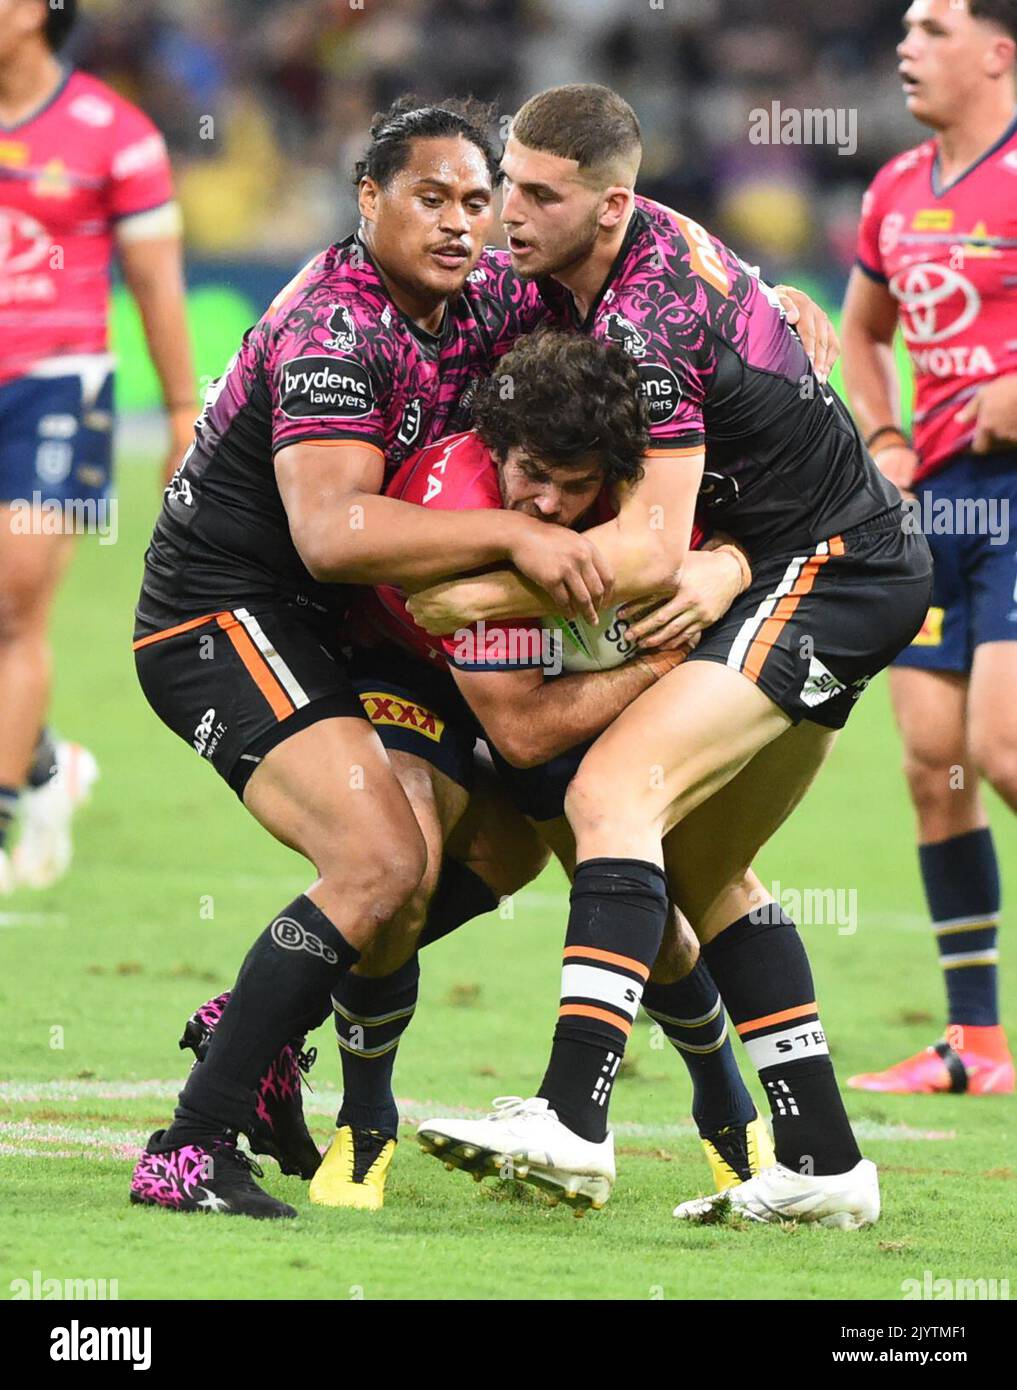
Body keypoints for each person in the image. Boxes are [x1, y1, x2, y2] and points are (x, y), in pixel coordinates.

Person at [410, 83, 933, 1228]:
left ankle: (571, 1118)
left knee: (615, 788)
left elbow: (645, 551)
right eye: (510, 186)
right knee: (700, 866)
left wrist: (456, 589)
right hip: (809, 558)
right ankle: (822, 1163)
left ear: (613, 206)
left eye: (542, 196)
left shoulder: (644, 321)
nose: (510, 214)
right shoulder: (608, 260)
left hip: (834, 566)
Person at [128, 98, 616, 1220]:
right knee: (378, 861)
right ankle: (189, 1148)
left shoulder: (490, 292)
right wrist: (513, 533)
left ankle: (260, 1016)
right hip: (222, 616)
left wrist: (760, 297)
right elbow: (331, 533)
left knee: (499, 844)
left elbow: (619, 248)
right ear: (368, 200)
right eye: (430, 198)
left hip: (344, 628)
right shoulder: (334, 327)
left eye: (476, 203)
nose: (459, 224)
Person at [306, 329, 772, 1211]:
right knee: (399, 874)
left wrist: (730, 562)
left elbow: (739, 542)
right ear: (494, 447)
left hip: (560, 676)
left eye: (576, 484)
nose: (550, 506)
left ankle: (728, 1115)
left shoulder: (645, 502)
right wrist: (658, 665)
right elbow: (519, 732)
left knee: (654, 922)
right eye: (532, 475)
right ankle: (364, 1126)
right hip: (416, 675)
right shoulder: (455, 508)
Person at [841, 0, 1017, 1097]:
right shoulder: (896, 190)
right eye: (905, 26)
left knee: (1001, 746)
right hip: (936, 506)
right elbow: (863, 331)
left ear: (1000, 52)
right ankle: (977, 1043)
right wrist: (886, 434)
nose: (907, 43)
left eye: (935, 26)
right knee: (931, 763)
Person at [0, 0, 195, 892]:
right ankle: (44, 764)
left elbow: (155, 278)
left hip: (55, 387)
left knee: (12, 608)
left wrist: (185, 411)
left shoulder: (115, 135)